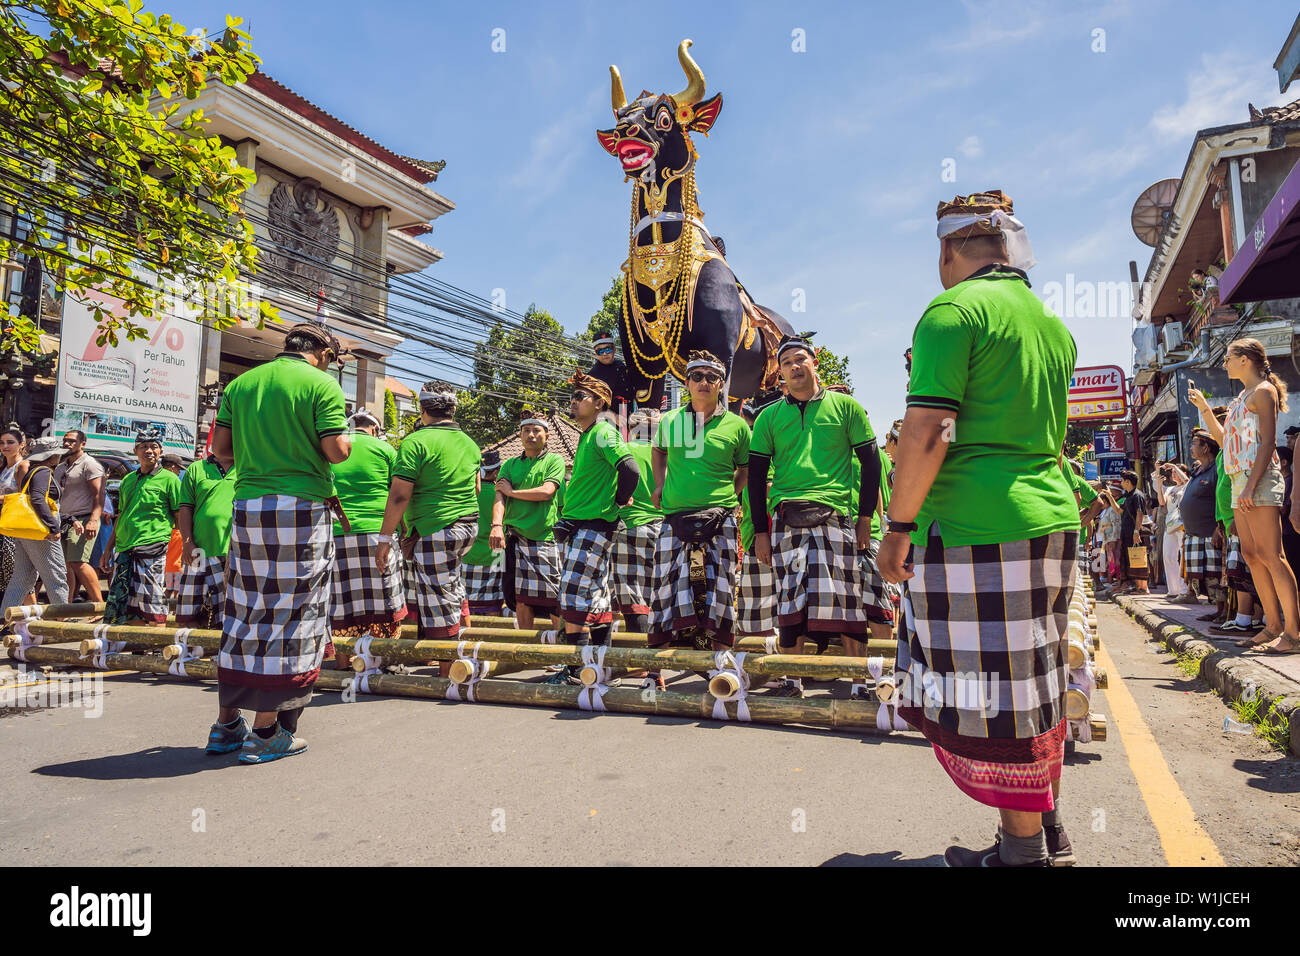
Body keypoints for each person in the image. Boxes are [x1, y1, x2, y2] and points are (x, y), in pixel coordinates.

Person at [877, 189, 1080, 868]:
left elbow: (929, 427)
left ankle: (1020, 853)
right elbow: (1051, 445)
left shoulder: (952, 310)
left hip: (976, 531)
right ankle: (1045, 831)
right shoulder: (1050, 324)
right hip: (1048, 520)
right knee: (1035, 685)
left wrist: (898, 526)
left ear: (947, 248)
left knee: (994, 701)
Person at [207, 321, 352, 763]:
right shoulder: (322, 385)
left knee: (245, 610)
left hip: (248, 507)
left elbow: (221, 450)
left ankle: (227, 725)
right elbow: (337, 451)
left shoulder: (242, 384)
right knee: (290, 613)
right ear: (323, 353)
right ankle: (268, 733)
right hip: (301, 509)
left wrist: (263, 450)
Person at [748, 335, 880, 698]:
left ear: (814, 360)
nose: (794, 366)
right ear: (780, 372)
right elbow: (756, 478)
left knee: (846, 600)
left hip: (835, 517)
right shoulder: (767, 417)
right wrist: (761, 530)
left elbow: (871, 465)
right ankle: (792, 681)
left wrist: (865, 518)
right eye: (786, 362)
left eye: (800, 358)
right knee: (790, 602)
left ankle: (859, 683)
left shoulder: (846, 407)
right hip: (787, 518)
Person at [1190, 339, 1299, 654]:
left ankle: (1293, 633)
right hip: (1241, 481)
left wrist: (1251, 486)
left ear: (1246, 359)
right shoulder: (1242, 397)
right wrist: (1205, 410)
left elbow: (1267, 443)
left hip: (1259, 479)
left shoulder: (1264, 392)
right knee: (1252, 556)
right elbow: (1226, 441)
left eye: (1228, 357)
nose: (1224, 363)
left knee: (1272, 556)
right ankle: (1273, 626)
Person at [648, 351, 749, 666]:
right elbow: (658, 451)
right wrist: (659, 485)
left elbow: (745, 468)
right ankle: (657, 670)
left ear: (721, 384)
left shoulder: (737, 426)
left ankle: (722, 665)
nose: (703, 382)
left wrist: (730, 494)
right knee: (664, 587)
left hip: (721, 518)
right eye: (696, 376)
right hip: (674, 516)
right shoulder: (670, 422)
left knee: (721, 588)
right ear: (686, 383)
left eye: (711, 377)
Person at [376, 382, 480, 678]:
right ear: (453, 409)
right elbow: (475, 486)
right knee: (451, 589)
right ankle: (449, 661)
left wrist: (385, 539)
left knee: (438, 596)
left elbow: (398, 495)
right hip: (468, 526)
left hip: (437, 528)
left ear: (422, 410)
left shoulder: (415, 442)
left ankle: (449, 670)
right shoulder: (469, 443)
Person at [546, 370, 640, 683]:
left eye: (580, 396)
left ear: (599, 403)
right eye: (572, 396)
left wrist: (618, 500)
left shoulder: (602, 431)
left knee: (572, 594)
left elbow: (629, 468)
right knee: (596, 598)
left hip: (594, 525)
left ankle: (576, 669)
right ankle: (604, 668)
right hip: (584, 526)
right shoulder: (589, 435)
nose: (573, 401)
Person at [329, 407, 405, 667]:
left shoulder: (334, 448)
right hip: (378, 534)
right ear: (375, 429)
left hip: (337, 533)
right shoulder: (386, 451)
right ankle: (383, 662)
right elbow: (398, 494)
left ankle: (343, 664)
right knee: (385, 602)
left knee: (343, 603)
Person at [489, 413, 565, 635]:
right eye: (526, 430)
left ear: (546, 435)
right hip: (514, 539)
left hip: (544, 539)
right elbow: (499, 498)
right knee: (519, 598)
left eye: (536, 430)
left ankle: (561, 649)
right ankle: (526, 649)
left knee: (554, 598)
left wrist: (512, 492)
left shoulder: (555, 460)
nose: (531, 435)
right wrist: (496, 525)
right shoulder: (510, 465)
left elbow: (546, 492)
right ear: (520, 434)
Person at [99, 429, 180, 625]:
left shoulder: (170, 480)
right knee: (127, 604)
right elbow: (122, 516)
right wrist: (108, 549)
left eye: (154, 447)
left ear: (160, 451)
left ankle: (156, 645)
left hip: (153, 546)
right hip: (125, 548)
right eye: (144, 447)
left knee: (153, 603)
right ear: (136, 451)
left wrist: (189, 544)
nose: (149, 451)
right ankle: (138, 648)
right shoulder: (128, 480)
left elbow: (179, 514)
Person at [0, 436, 68, 616]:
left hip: (26, 531)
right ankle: (61, 619)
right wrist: (54, 528)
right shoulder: (44, 471)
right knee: (56, 575)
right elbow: (38, 499)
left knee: (22, 577)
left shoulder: (32, 471)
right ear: (52, 456)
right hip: (41, 532)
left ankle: (5, 619)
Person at [174, 444, 238, 629]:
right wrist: (187, 542)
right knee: (189, 612)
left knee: (227, 613)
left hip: (232, 552)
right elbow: (186, 507)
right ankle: (192, 654)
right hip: (198, 550)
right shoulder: (196, 468)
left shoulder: (246, 468)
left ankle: (218, 656)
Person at [612, 409, 662, 642]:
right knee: (660, 592)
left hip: (629, 526)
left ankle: (642, 660)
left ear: (632, 430)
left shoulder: (623, 451)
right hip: (664, 528)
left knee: (633, 594)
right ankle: (659, 659)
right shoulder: (667, 454)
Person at [736, 402, 777, 644]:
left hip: (764, 533)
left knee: (759, 606)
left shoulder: (756, 443)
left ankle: (765, 665)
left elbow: (767, 487)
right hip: (759, 531)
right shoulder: (755, 442)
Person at [54, 429, 105, 603]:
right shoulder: (61, 466)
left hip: (83, 518)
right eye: (65, 440)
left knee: (78, 562)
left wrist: (93, 520)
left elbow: (99, 495)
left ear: (83, 443)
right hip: (63, 520)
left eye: (72, 441)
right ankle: (64, 609)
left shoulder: (89, 464)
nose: (67, 443)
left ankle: (100, 607)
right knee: (64, 565)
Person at [1179, 429, 1225, 613]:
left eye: (1194, 444)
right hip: (1194, 534)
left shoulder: (1216, 469)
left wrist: (1217, 528)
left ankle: (1224, 612)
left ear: (1206, 448)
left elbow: (1221, 499)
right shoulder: (1198, 470)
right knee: (1204, 577)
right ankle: (1217, 612)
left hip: (1210, 533)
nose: (1191, 448)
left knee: (1217, 576)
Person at [462, 450, 506, 618]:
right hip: (496, 554)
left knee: (466, 602)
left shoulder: (469, 494)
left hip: (468, 553)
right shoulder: (500, 495)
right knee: (494, 602)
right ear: (496, 471)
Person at [1111, 470, 1149, 595]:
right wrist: (1109, 496)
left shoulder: (1137, 495)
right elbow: (1119, 511)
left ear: (1127, 482)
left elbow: (1139, 513)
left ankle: (1143, 588)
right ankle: (1134, 586)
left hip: (1135, 533)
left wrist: (1136, 531)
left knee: (1139, 558)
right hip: (1127, 533)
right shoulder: (1127, 496)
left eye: (1122, 481)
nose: (1121, 483)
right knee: (1130, 559)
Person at [0, 425, 27, 601]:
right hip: (3, 523)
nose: (5, 446)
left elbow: (24, 497)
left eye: (10, 442)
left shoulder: (22, 466)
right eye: (2, 443)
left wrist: (2, 498)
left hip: (15, 525)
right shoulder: (4, 466)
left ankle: (26, 617)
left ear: (21, 445)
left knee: (14, 570)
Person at [587, 334, 635, 427]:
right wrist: (614, 417)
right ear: (595, 353)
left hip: (629, 418)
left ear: (614, 349)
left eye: (607, 349)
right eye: (600, 351)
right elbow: (592, 405)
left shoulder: (620, 365)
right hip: (607, 424)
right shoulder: (592, 376)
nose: (604, 353)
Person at [1157, 463, 1189, 600]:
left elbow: (1187, 480)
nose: (1174, 474)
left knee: (1183, 556)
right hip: (1170, 524)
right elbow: (1162, 502)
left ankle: (1184, 589)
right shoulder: (1170, 489)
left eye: (1177, 472)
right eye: (1173, 472)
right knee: (1168, 555)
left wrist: (1175, 466)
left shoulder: (1188, 486)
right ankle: (1173, 589)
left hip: (1183, 523)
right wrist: (1159, 485)